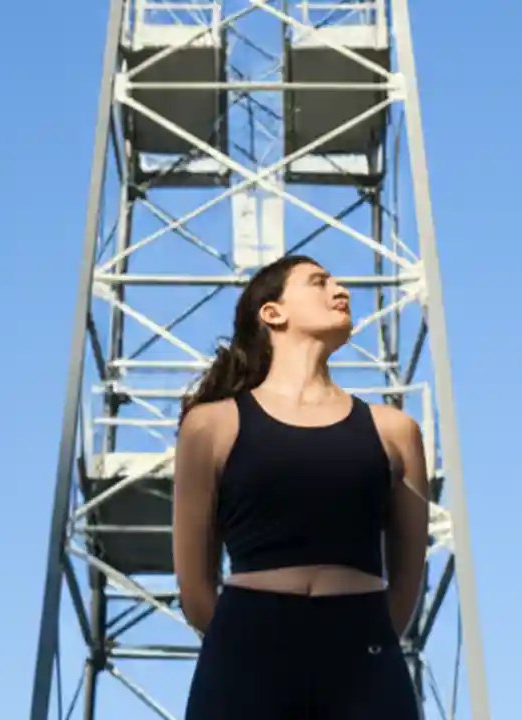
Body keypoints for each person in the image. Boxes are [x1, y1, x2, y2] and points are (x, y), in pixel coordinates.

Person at [172, 254, 429, 719]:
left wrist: (357, 639)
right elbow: (194, 589)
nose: (341, 290)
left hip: (364, 654)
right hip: (246, 650)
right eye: (319, 282)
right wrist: (253, 641)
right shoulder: (211, 425)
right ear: (272, 313)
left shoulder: (397, 431)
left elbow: (408, 579)